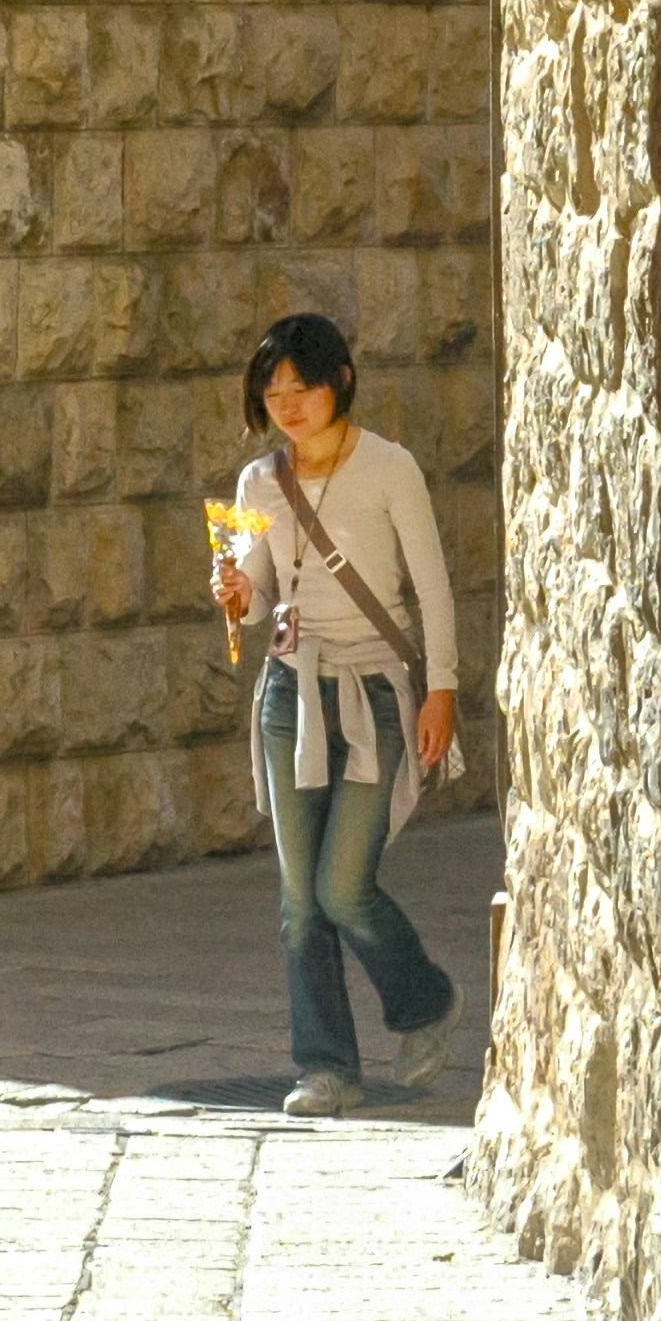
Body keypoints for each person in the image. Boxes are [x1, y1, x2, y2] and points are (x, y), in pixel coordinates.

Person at [208, 310, 463, 1117]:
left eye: (302, 386)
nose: (287, 402)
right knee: (297, 900)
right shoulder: (257, 484)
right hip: (291, 693)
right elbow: (253, 600)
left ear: (339, 383)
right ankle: (327, 1068)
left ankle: (424, 1002)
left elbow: (431, 586)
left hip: (376, 692)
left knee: (343, 886)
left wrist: (444, 690)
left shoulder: (390, 468)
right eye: (272, 390)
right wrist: (238, 595)